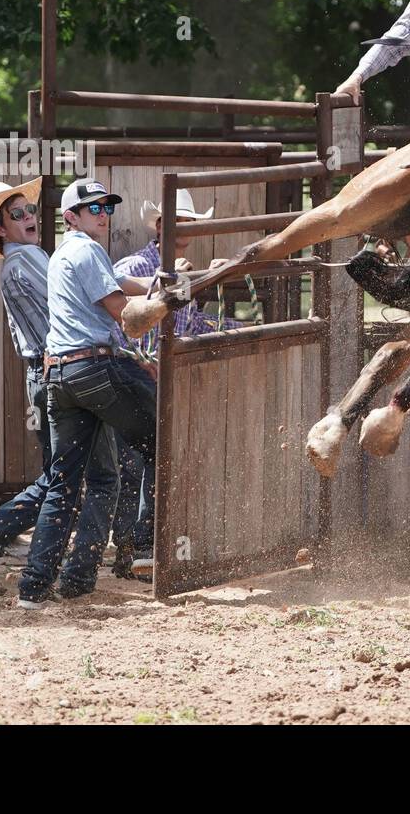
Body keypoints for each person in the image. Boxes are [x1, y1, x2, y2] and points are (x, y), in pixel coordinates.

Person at [0, 178, 118, 596]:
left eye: (29, 211)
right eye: (17, 214)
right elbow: (73, 309)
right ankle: (0, 540)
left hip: (47, 376)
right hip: (65, 369)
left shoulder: (24, 260)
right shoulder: (28, 261)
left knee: (60, 478)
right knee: (86, 478)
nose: (29, 217)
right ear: (0, 229)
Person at [16, 180, 160, 608]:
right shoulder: (87, 250)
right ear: (71, 218)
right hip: (95, 369)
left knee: (69, 483)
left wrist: (173, 282)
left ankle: (38, 587)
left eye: (107, 207)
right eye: (93, 207)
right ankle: (146, 549)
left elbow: (123, 285)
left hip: (61, 378)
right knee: (161, 439)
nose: (103, 213)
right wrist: (173, 301)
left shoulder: (65, 255)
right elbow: (126, 314)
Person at [107, 189, 238, 580]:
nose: (184, 228)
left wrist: (240, 330)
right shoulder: (135, 264)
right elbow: (116, 304)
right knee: (136, 463)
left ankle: (136, 549)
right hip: (134, 375)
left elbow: (191, 325)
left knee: (146, 461)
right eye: (177, 220)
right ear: (160, 226)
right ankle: (135, 547)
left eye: (190, 222)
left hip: (162, 381)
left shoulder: (183, 272)